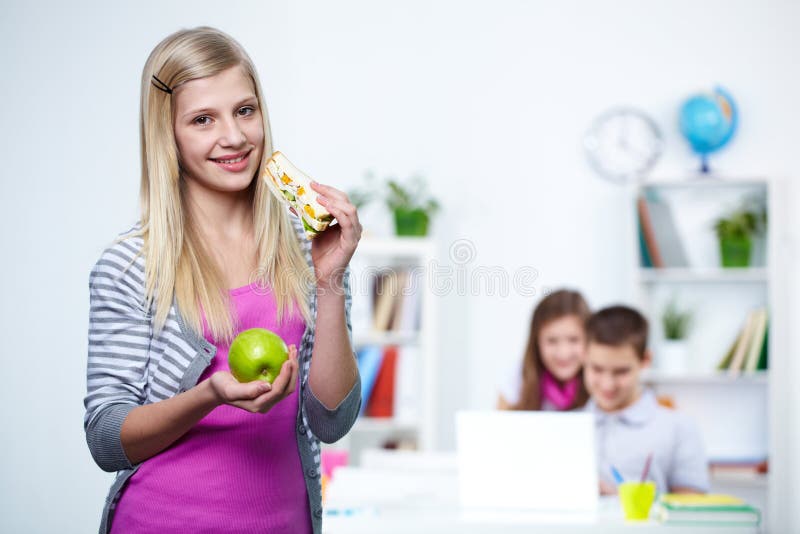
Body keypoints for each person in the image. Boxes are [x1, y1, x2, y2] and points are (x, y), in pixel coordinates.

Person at [83, 27, 362, 534]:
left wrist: (331, 281)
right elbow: (106, 439)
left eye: (245, 110)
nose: (233, 137)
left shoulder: (308, 248)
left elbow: (332, 422)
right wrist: (210, 395)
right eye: (202, 119)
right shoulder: (131, 266)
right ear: (167, 134)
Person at [584, 305, 710, 495]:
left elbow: (692, 511)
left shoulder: (679, 429)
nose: (607, 384)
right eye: (597, 369)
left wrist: (616, 498)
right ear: (584, 357)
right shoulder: (564, 425)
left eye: (621, 372)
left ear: (645, 360)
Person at [497, 289, 591, 411]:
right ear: (536, 342)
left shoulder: (602, 380)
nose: (563, 352)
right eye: (552, 341)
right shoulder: (518, 378)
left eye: (573, 340)